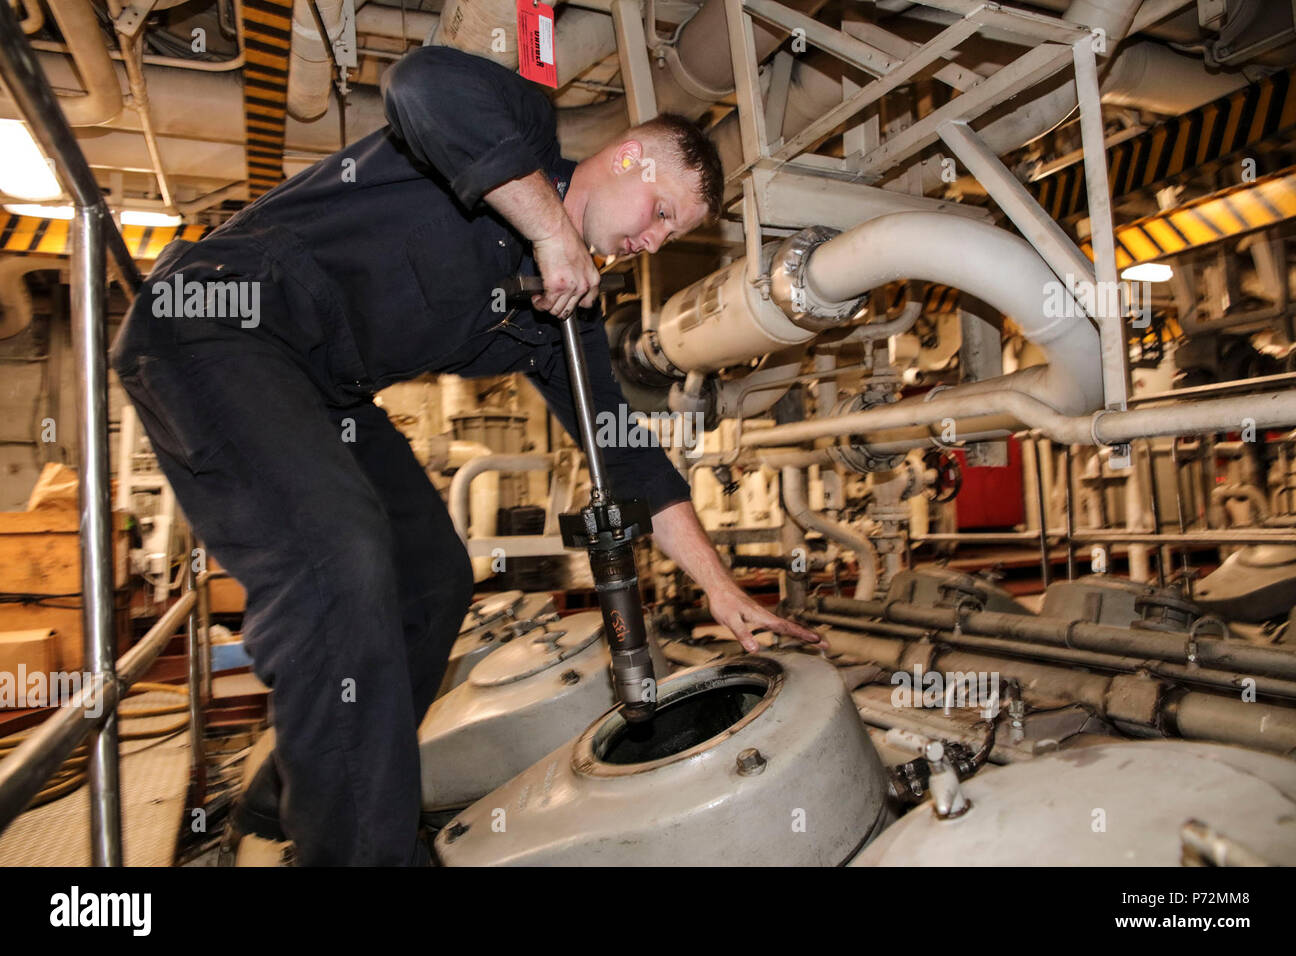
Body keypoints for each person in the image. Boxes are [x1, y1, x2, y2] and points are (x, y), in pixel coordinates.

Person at [110, 44, 824, 866]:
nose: (653, 243)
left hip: (322, 387)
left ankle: (288, 806)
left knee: (433, 574)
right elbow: (420, 85)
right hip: (213, 323)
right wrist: (552, 228)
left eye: (672, 235)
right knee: (338, 558)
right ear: (625, 157)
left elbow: (627, 457)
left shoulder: (564, 313)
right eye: (659, 213)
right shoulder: (515, 127)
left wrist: (723, 591)